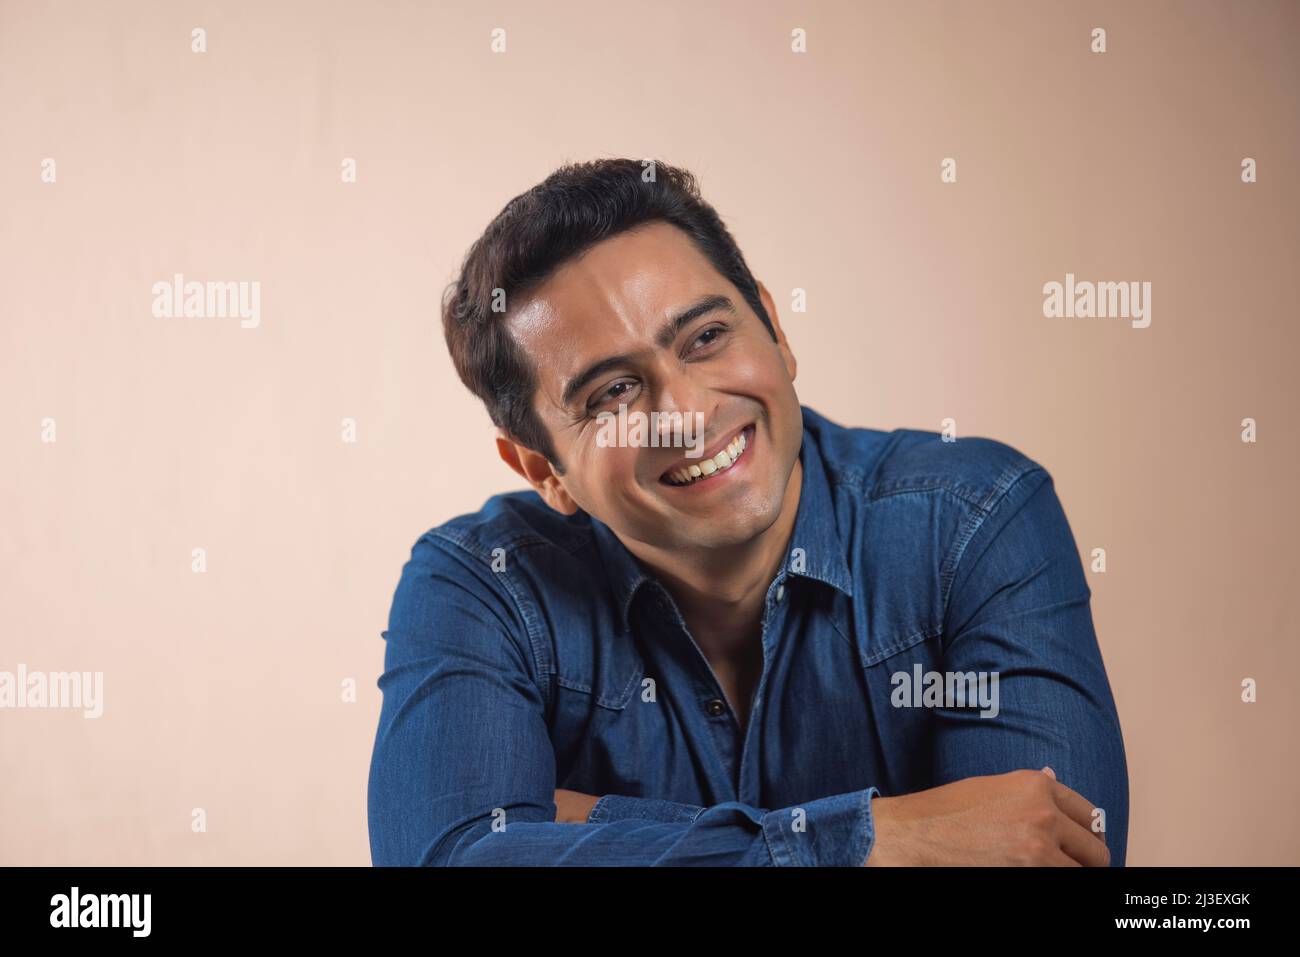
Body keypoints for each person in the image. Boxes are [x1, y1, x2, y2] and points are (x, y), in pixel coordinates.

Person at [366, 158, 1128, 866]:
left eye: (705, 337)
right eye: (611, 392)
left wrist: (589, 823)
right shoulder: (479, 584)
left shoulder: (973, 518)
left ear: (775, 327)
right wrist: (867, 840)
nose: (688, 413)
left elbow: (1043, 852)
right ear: (543, 469)